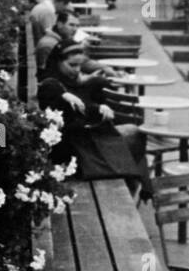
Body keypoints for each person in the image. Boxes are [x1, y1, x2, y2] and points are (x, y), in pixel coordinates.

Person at [38, 39, 152, 202]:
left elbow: (82, 105)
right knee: (135, 136)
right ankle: (141, 188)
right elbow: (48, 88)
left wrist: (97, 107)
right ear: (58, 62)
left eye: (79, 66)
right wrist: (64, 94)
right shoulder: (52, 82)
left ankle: (137, 185)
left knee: (134, 136)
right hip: (73, 146)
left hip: (81, 137)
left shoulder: (69, 79)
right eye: (72, 65)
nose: (77, 70)